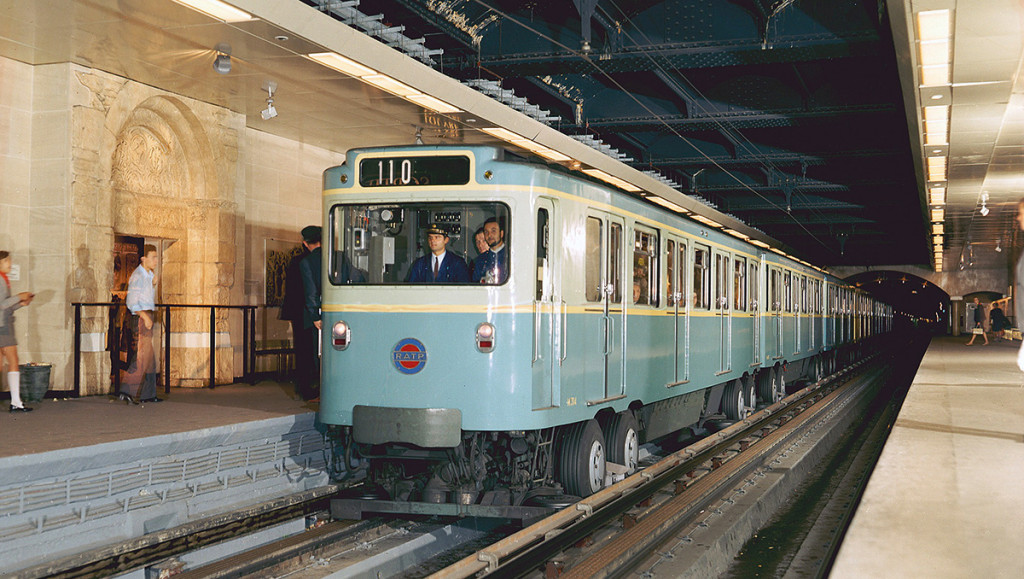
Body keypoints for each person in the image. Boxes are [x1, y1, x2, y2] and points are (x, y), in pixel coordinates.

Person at [122, 244, 161, 404]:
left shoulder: (148, 275)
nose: (156, 261)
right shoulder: (138, 276)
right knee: (142, 357)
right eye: (153, 257)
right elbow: (131, 302)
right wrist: (145, 316)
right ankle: (126, 390)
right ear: (143, 258)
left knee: (149, 359)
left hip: (147, 315)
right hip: (141, 318)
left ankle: (148, 394)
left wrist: (152, 284)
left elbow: (144, 296)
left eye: (157, 257)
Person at [1, 251, 35, 412]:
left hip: (3, 325)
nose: (10, 264)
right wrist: (19, 296)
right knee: (13, 361)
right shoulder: (1, 280)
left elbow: (5, 306)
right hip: (4, 328)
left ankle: (16, 401)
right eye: (8, 261)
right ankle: (16, 402)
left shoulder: (4, 280)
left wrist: (21, 303)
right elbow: (2, 305)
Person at [281, 245, 315, 400]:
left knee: (302, 350)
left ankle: (304, 386)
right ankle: (308, 386)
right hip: (307, 312)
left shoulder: (297, 261)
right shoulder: (310, 261)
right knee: (310, 350)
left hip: (298, 313)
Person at [298, 226, 323, 400]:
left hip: (317, 316)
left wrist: (315, 316)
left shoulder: (306, 262)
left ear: (305, 243)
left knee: (317, 353)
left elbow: (311, 291)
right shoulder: (338, 257)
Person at [405, 225, 471, 283]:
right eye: (430, 238)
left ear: (446, 240)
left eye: (437, 237)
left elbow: (464, 289)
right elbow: (411, 288)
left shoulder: (457, 263)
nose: (433, 241)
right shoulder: (420, 264)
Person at [473, 217, 508, 284]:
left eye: (493, 231)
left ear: (501, 233)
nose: (489, 235)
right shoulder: (481, 260)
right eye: (486, 232)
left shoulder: (510, 257)